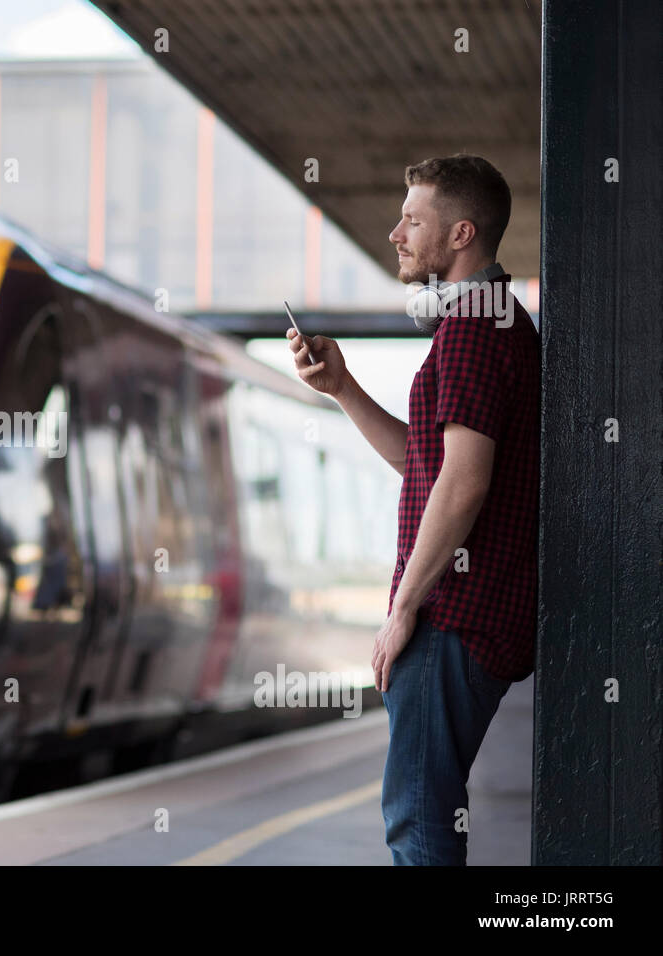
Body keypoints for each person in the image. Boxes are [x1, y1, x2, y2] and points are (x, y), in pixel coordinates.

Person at [286, 154, 539, 865]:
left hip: (454, 616)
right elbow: (429, 469)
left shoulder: (469, 330)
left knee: (418, 821)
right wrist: (342, 388)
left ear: (461, 234)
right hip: (474, 615)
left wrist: (402, 608)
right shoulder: (493, 323)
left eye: (413, 220)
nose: (396, 233)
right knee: (422, 814)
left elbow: (463, 485)